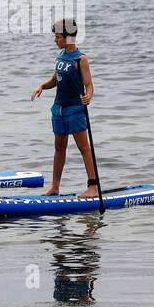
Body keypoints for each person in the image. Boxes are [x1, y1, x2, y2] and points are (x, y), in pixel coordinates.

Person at [31, 18, 97, 197]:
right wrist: (41, 86)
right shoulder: (60, 56)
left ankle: (93, 186)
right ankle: (55, 187)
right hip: (58, 109)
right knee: (59, 148)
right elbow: (54, 80)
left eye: (58, 36)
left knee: (84, 148)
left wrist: (88, 97)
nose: (55, 40)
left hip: (74, 110)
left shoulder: (80, 59)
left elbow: (89, 85)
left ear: (69, 37)